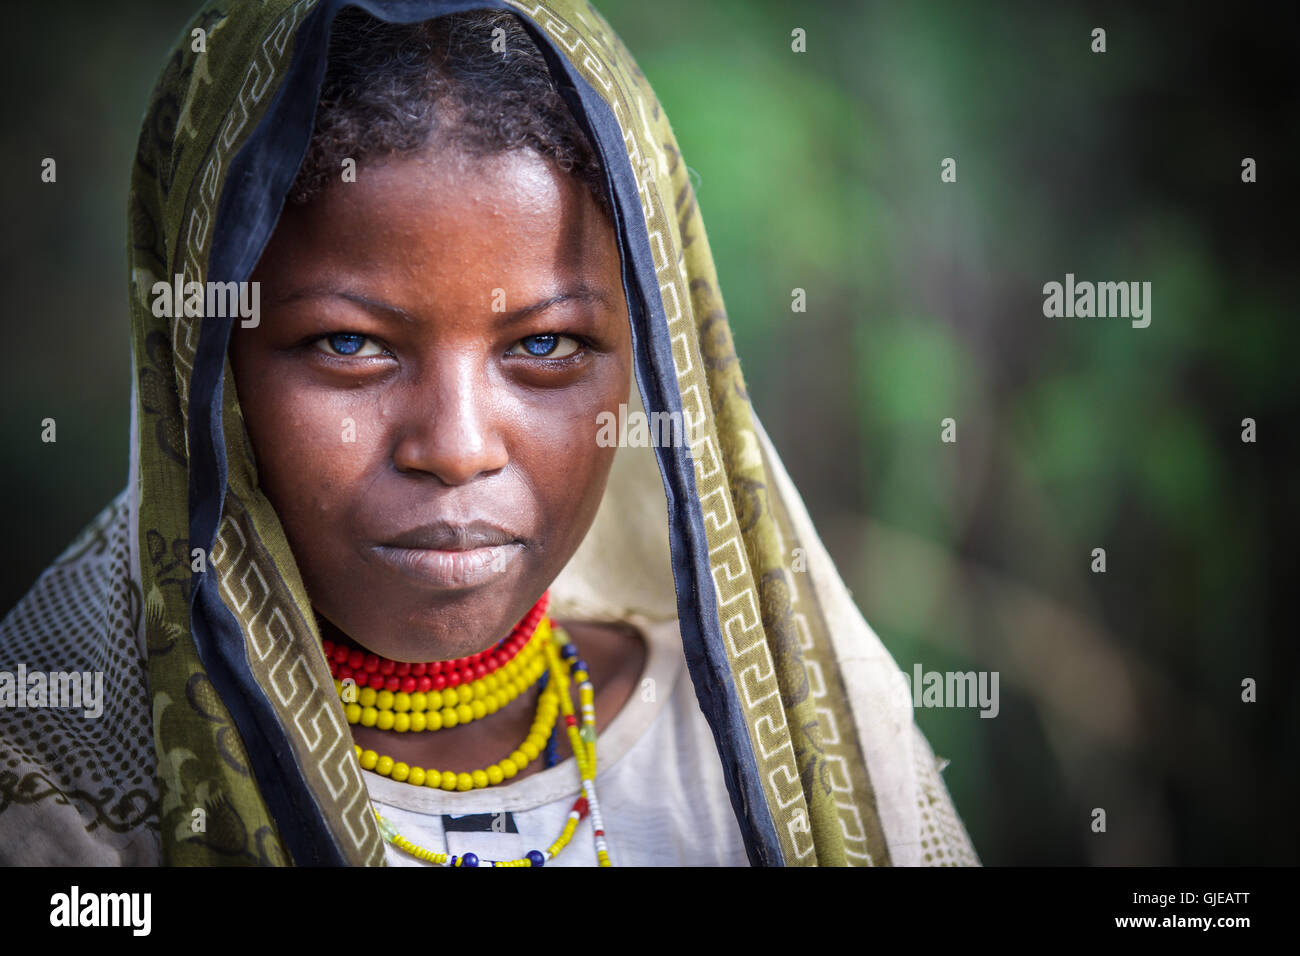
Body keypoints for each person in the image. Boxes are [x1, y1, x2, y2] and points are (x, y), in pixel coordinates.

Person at [0, 0, 979, 867]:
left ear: (646, 355)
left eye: (546, 342)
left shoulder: (783, 757)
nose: (458, 446)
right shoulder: (63, 790)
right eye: (348, 342)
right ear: (202, 370)